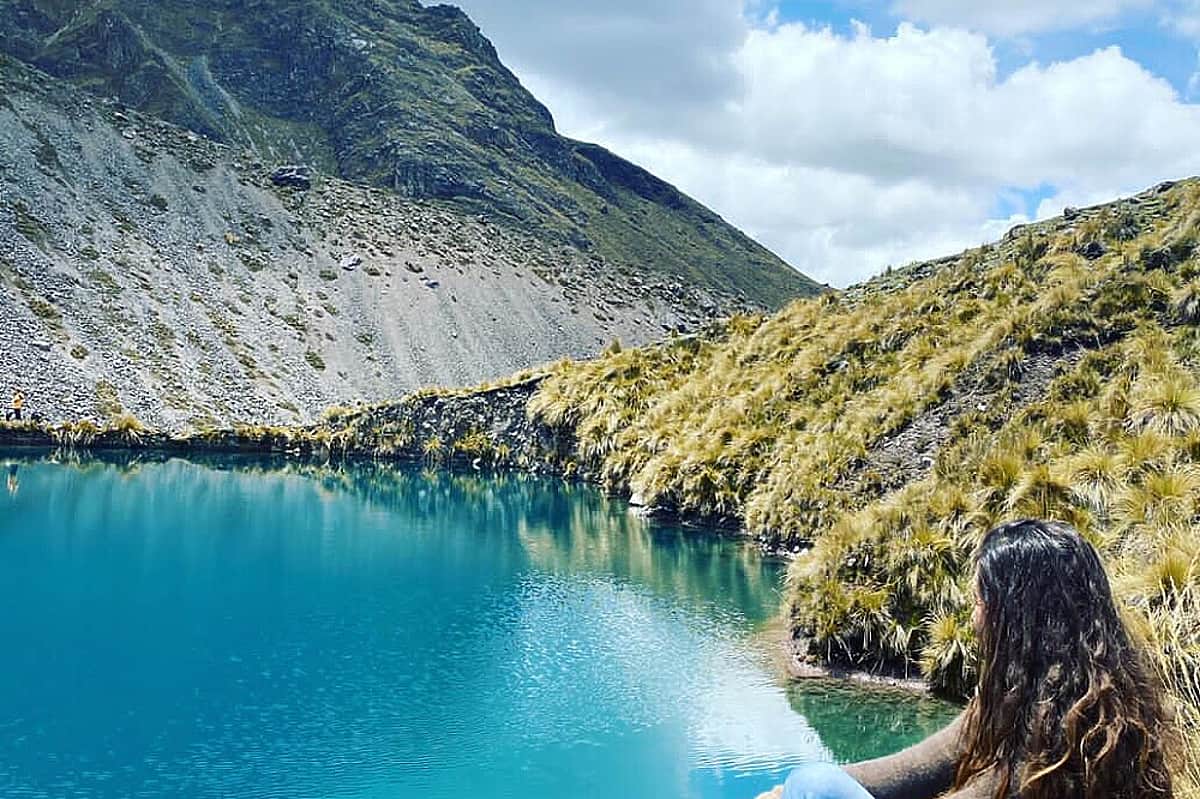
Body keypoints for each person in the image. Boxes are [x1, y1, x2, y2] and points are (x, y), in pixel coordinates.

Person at [771, 519, 1176, 799]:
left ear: (1014, 615)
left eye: (981, 601)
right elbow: (924, 764)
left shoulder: (1062, 727)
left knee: (815, 784)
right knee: (814, 783)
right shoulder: (1095, 692)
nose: (974, 615)